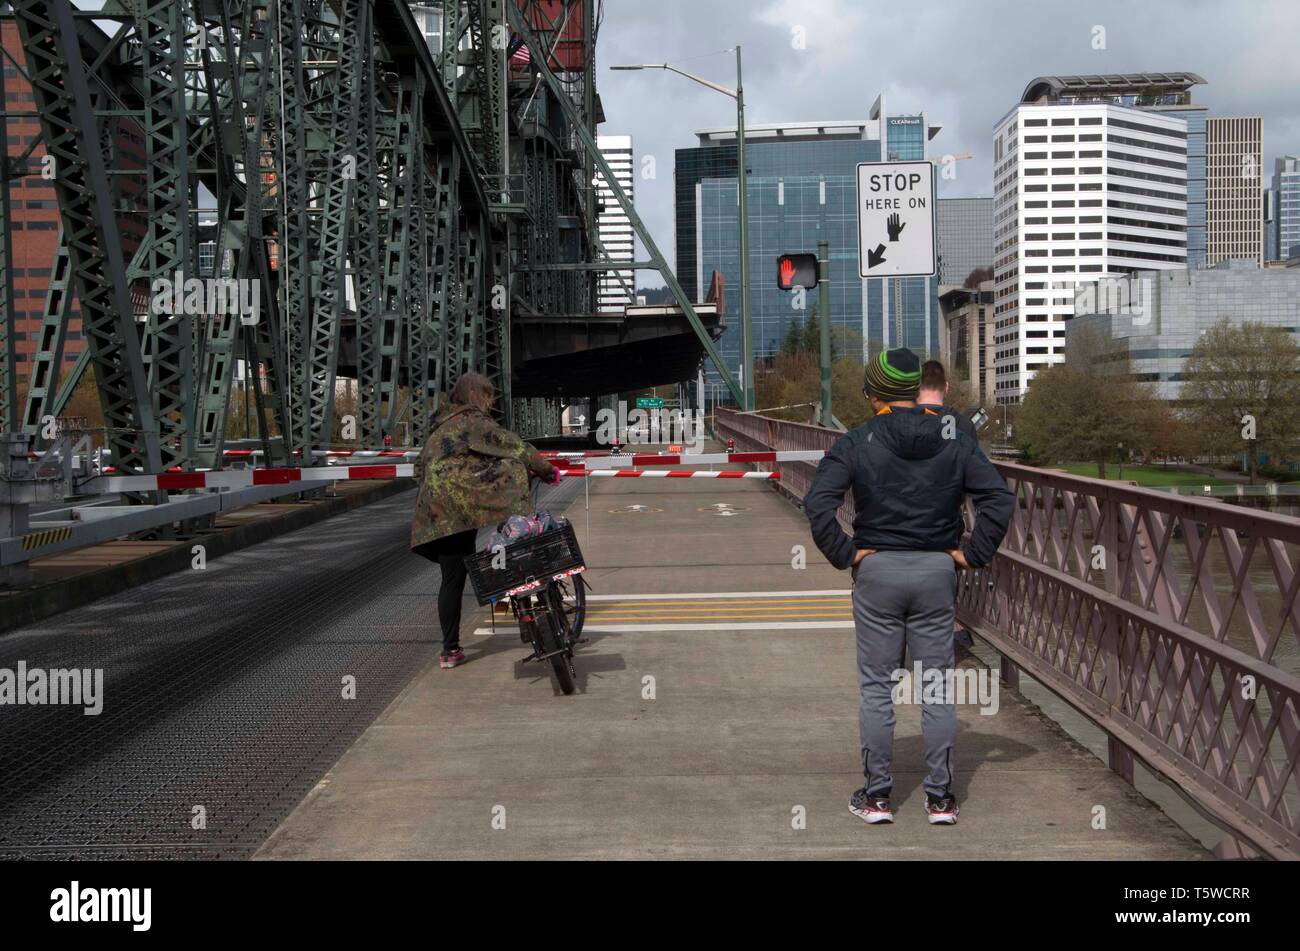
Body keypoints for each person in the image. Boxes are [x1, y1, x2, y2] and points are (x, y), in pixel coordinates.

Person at [804, 348, 1013, 827]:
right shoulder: (954, 437)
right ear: (915, 389)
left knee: (878, 686)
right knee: (936, 685)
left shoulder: (858, 440)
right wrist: (971, 552)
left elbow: (819, 504)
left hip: (878, 571)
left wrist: (847, 551)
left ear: (875, 392)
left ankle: (877, 796)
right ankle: (941, 799)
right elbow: (998, 499)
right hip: (936, 571)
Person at [410, 372, 560, 669]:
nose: (490, 403)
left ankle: (449, 651)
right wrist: (545, 468)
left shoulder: (438, 427)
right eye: (488, 397)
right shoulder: (473, 421)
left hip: (435, 512)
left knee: (451, 579)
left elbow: (418, 470)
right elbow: (513, 446)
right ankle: (518, 537)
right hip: (459, 510)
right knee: (513, 472)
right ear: (478, 395)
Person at [917, 360, 981, 668]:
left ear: (916, 389)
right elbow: (977, 476)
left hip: (903, 516)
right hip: (946, 517)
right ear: (946, 388)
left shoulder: (901, 420)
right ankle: (943, 634)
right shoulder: (963, 426)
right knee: (944, 576)